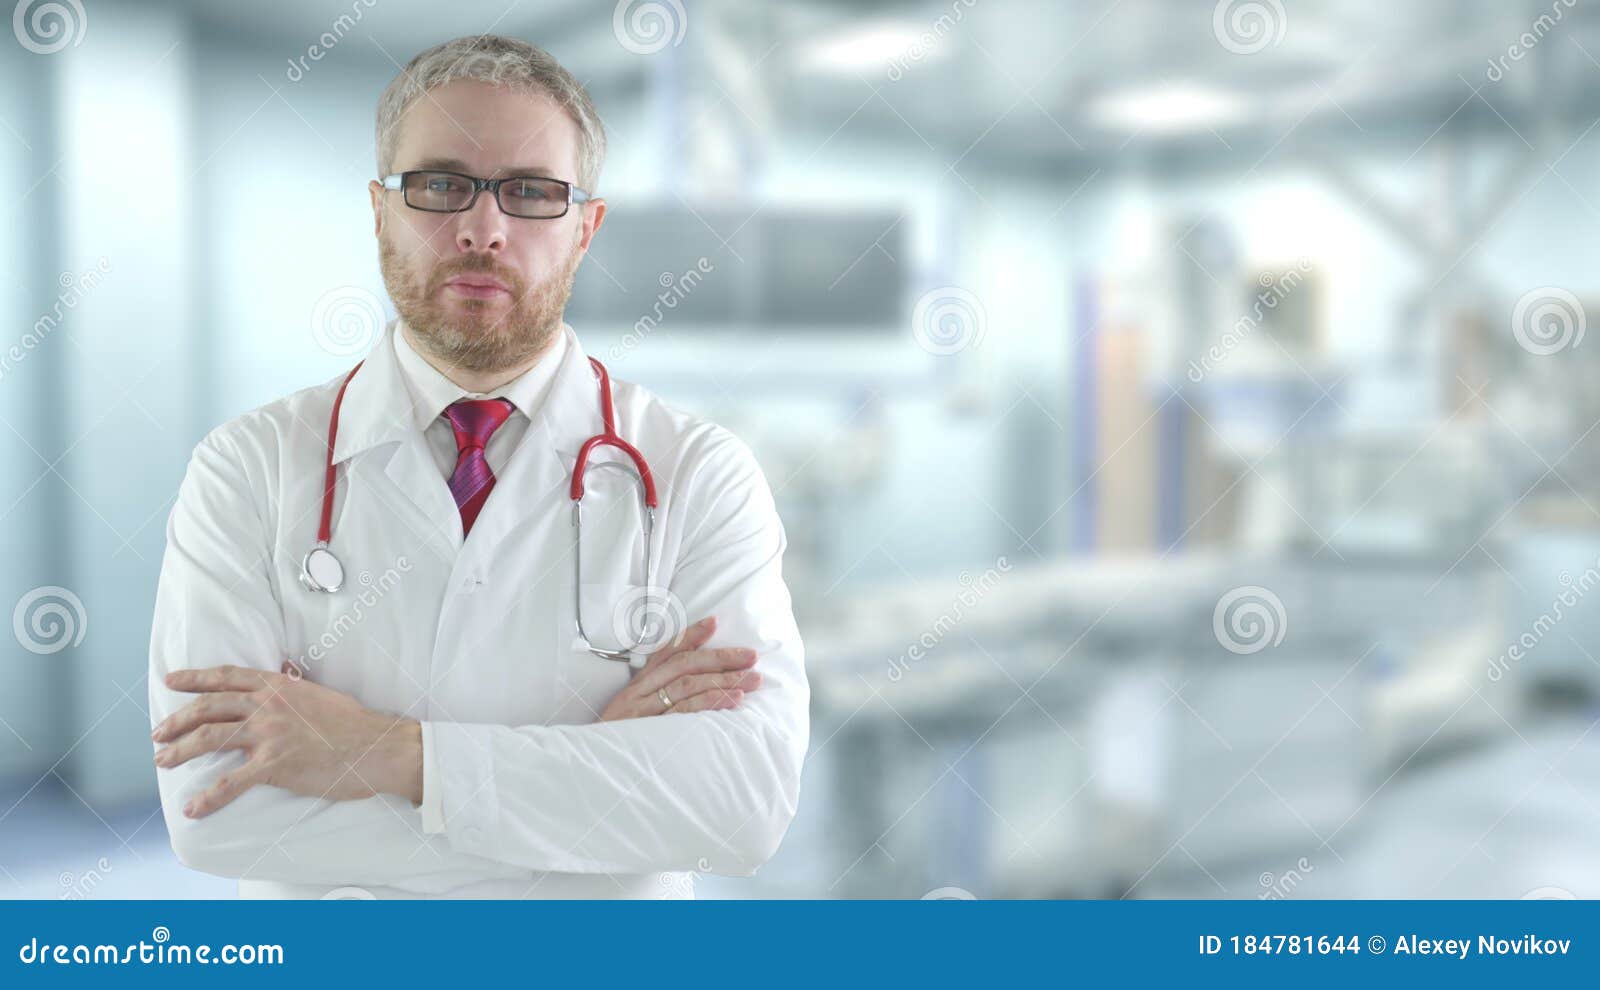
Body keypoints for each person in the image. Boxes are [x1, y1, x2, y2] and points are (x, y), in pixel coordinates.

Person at [146, 35, 808, 899]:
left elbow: (740, 805)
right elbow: (219, 811)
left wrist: (386, 755)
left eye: (532, 192)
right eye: (439, 185)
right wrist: (602, 792)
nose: (482, 230)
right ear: (381, 210)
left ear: (586, 228)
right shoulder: (246, 470)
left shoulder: (700, 474)